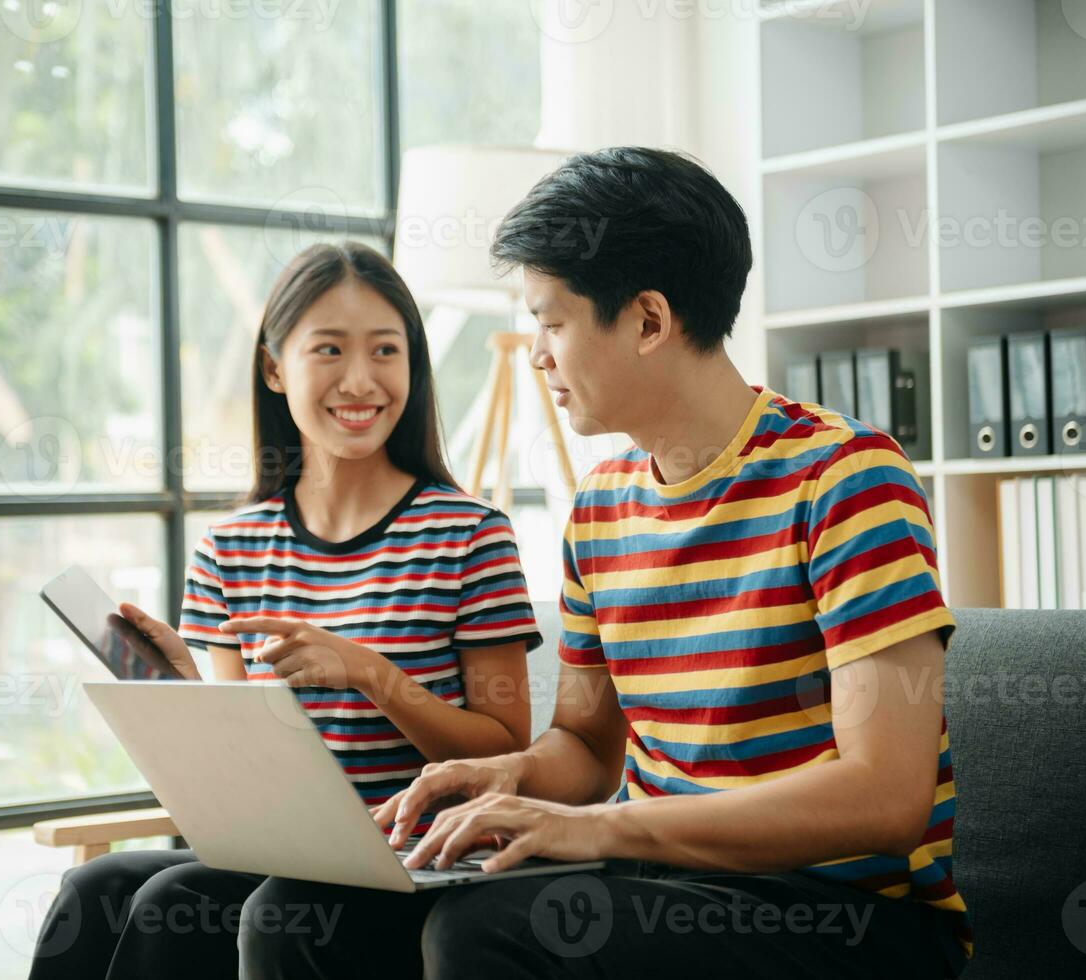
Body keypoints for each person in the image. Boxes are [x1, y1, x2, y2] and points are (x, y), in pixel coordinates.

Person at [237, 148, 973, 979]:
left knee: (480, 930)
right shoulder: (599, 508)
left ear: (648, 321)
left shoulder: (845, 480)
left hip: (853, 919)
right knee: (297, 914)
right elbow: (587, 749)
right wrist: (498, 776)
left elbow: (886, 796)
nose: (538, 353)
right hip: (666, 885)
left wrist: (604, 830)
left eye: (552, 323)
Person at [27, 241, 543, 979]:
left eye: (385, 351)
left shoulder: (470, 535)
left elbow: (502, 752)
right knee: (95, 888)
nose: (360, 380)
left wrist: (370, 674)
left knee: (188, 898)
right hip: (285, 854)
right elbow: (245, 780)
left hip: (421, 864)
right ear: (276, 369)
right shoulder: (230, 549)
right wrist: (185, 693)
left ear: (412, 367)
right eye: (328, 350)